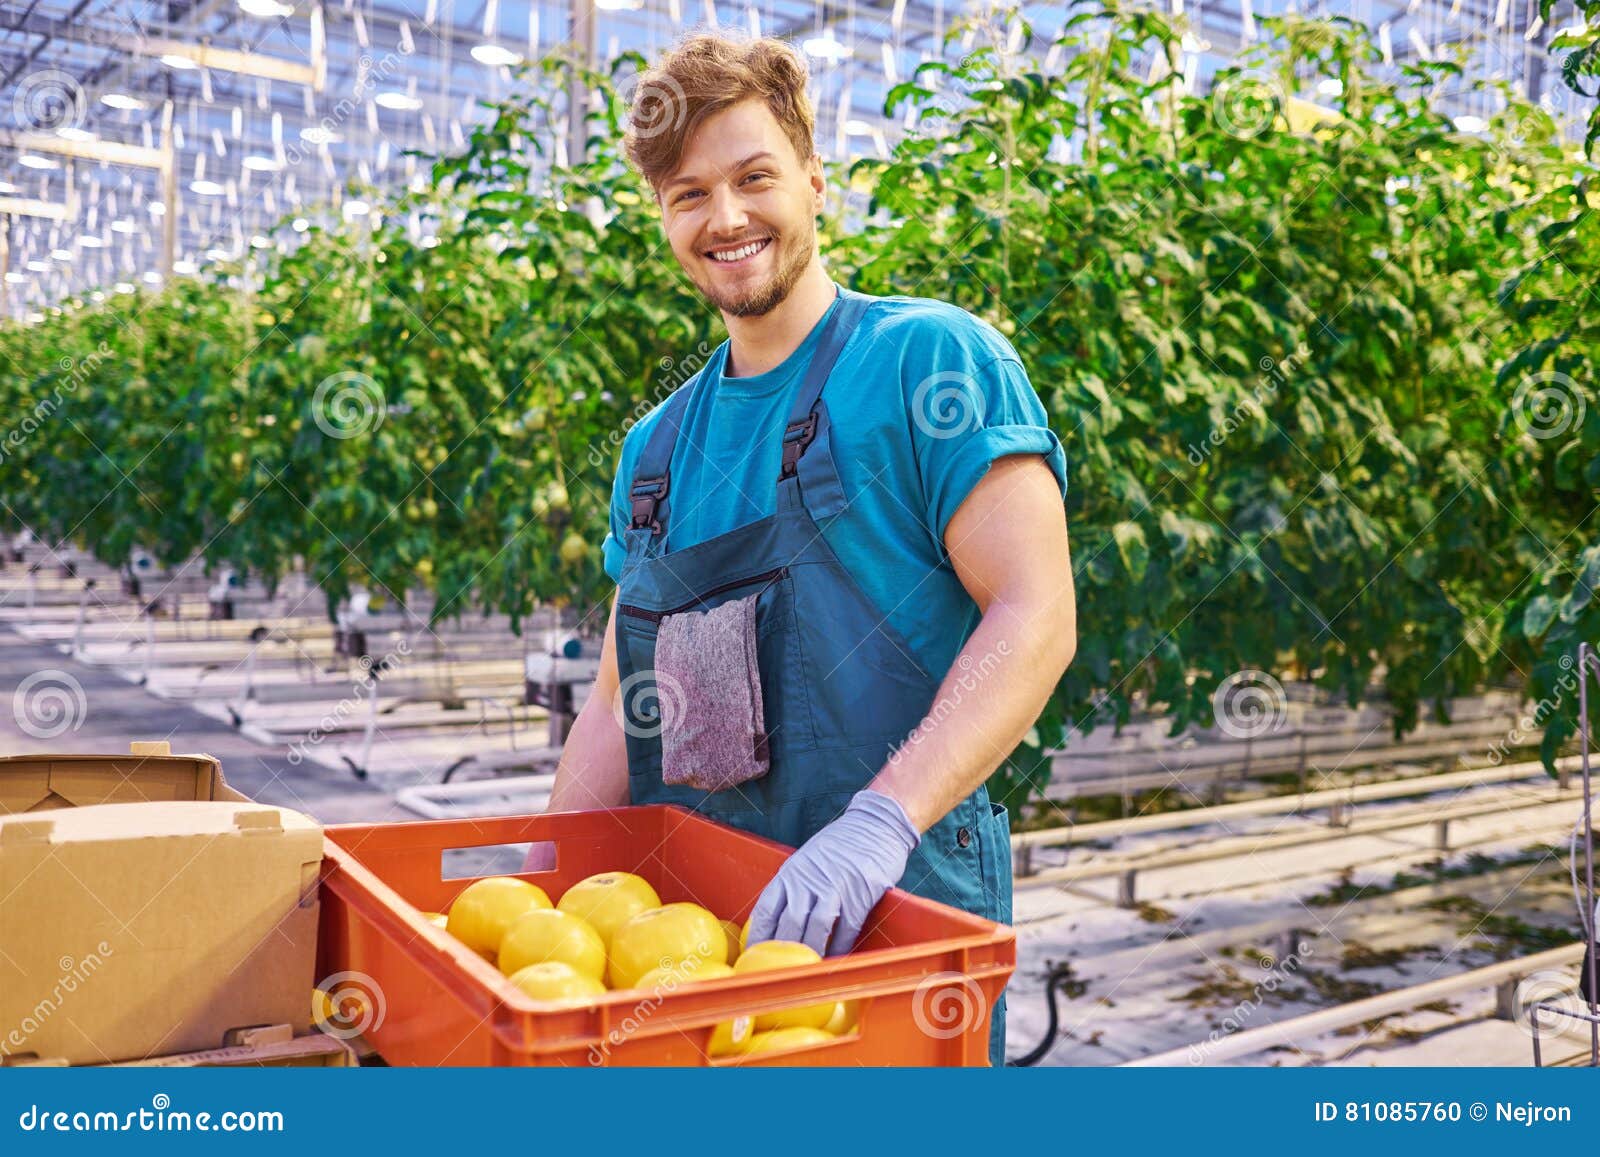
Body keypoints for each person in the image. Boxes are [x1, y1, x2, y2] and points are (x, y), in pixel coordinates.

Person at [524, 32, 1076, 1067]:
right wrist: (547, 882)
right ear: (662, 219)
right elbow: (614, 696)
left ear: (816, 180)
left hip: (893, 937)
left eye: (754, 177)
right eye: (689, 193)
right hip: (691, 955)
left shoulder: (927, 360)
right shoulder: (654, 449)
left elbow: (1034, 612)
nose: (724, 218)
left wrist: (880, 819)